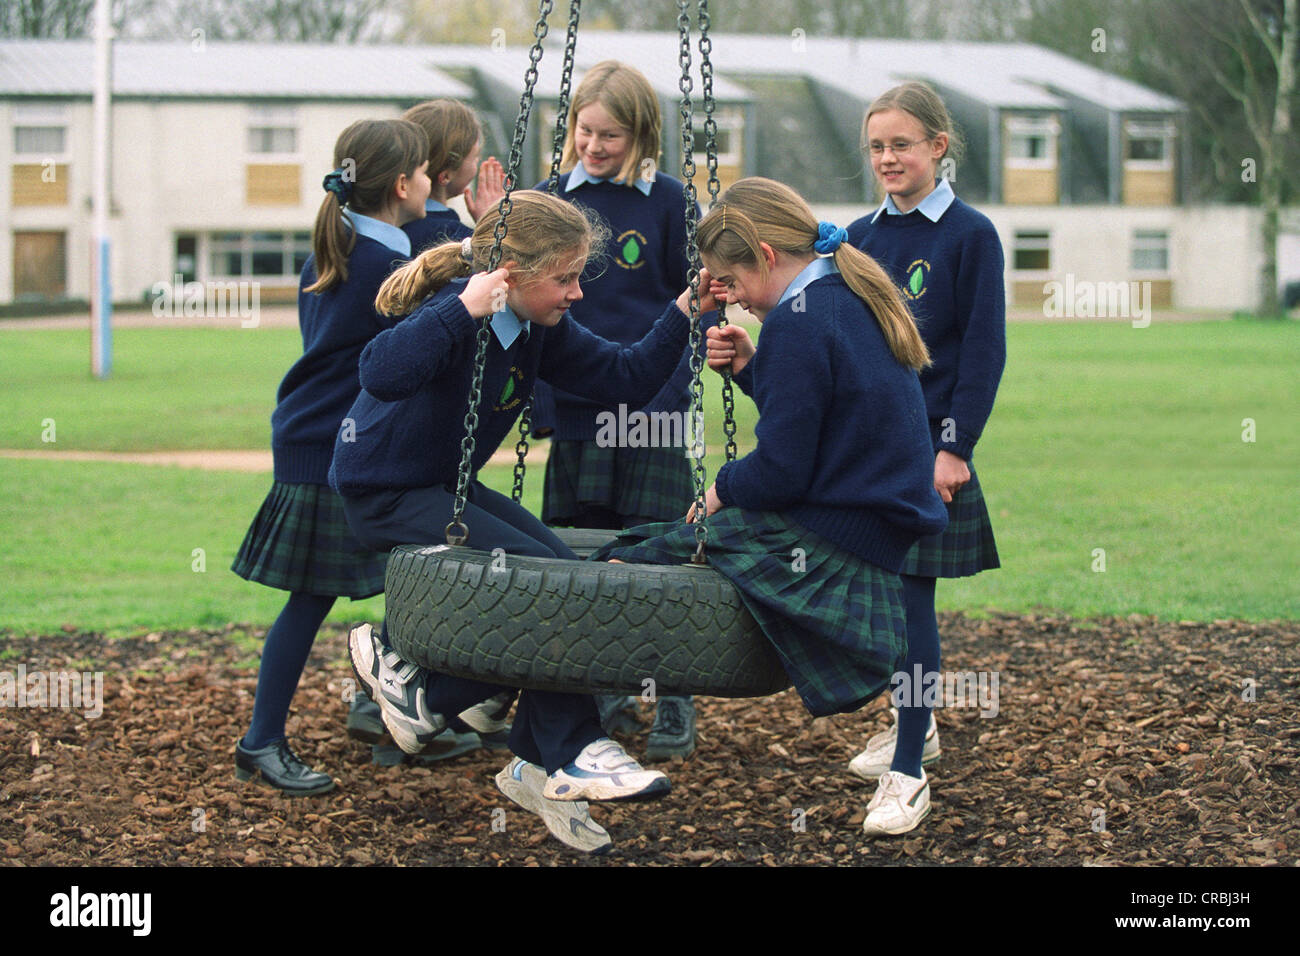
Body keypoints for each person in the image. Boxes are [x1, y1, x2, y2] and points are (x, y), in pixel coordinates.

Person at [328, 190, 721, 853]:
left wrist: (686, 310)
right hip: (384, 489)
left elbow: (624, 378)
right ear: (509, 275)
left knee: (566, 579)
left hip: (439, 486)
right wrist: (461, 310)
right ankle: (567, 746)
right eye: (564, 278)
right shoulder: (457, 314)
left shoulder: (541, 330)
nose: (576, 294)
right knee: (550, 589)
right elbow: (381, 372)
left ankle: (489, 731)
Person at [589, 176, 949, 829]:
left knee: (644, 552)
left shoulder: (798, 325)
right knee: (669, 544)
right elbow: (831, 422)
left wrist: (720, 491)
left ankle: (571, 723)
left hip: (834, 529)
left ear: (762, 251)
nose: (733, 299)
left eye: (732, 280)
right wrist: (754, 371)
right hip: (886, 514)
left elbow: (783, 470)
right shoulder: (847, 293)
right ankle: (908, 763)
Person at [230, 117, 431, 795]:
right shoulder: (383, 268)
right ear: (402, 186)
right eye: (428, 172)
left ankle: (394, 716)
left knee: (398, 579)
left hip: (317, 437)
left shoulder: (340, 249)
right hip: (329, 448)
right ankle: (261, 742)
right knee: (312, 599)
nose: (433, 183)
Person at [844, 81, 1006, 836]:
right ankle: (921, 725)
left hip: (928, 453)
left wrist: (954, 448)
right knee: (877, 601)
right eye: (877, 146)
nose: (887, 158)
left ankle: (909, 770)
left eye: (901, 144)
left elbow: (983, 353)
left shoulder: (971, 236)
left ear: (938, 147)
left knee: (911, 602)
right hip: (868, 452)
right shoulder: (857, 239)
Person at [531, 61, 707, 758]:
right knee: (587, 563)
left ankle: (672, 703)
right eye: (585, 130)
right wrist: (544, 406)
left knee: (663, 561)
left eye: (611, 135)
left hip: (656, 415)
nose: (595, 146)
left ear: (642, 135)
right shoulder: (551, 199)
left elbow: (696, 304)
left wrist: (666, 400)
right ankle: (601, 699)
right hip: (579, 415)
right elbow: (532, 317)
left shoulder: (668, 201)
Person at [346, 99, 506, 759]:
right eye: (473, 155)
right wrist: (489, 229)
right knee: (433, 574)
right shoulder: (432, 240)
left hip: (387, 436)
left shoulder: (410, 229)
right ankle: (425, 696)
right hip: (398, 438)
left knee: (415, 573)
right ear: (447, 170)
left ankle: (400, 700)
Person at [401, 99, 506, 254]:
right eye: (475, 156)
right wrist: (492, 224)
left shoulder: (393, 221)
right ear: (446, 176)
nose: (478, 162)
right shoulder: (457, 239)